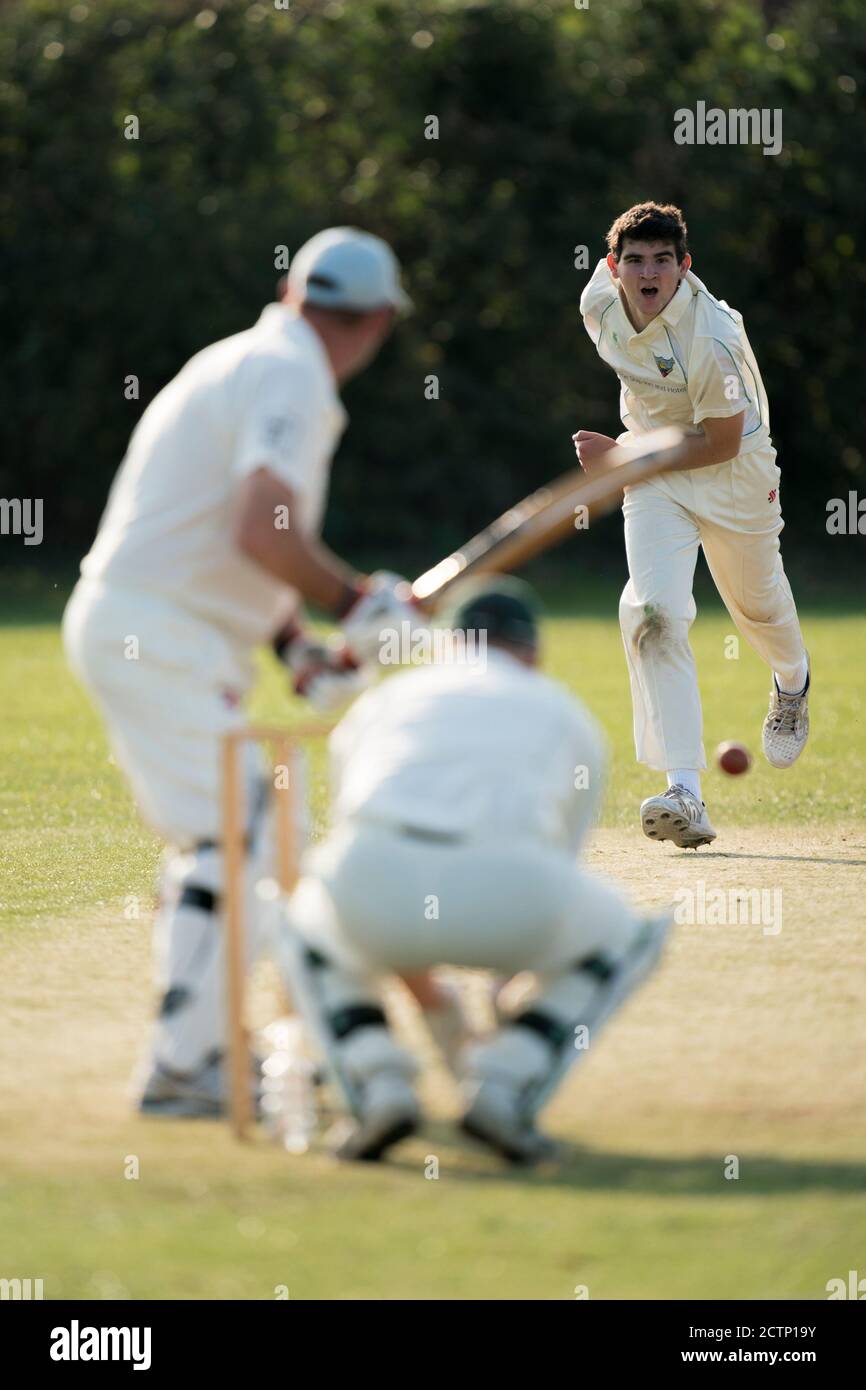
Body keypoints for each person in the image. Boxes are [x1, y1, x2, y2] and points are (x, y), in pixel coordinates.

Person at [63, 226, 423, 1116]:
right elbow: (262, 528)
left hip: (154, 629)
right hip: (159, 633)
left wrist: (296, 645)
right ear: (377, 322)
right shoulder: (291, 374)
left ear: (299, 293)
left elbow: (236, 538)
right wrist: (355, 603)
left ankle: (204, 1055)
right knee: (249, 831)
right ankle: (194, 1064)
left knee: (241, 835)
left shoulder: (245, 359)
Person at [277, 579, 670, 1164]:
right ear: (532, 653)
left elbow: (355, 829)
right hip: (512, 895)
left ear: (448, 644)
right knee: (633, 935)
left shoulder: (388, 698)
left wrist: (424, 984)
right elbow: (559, 862)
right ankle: (505, 1086)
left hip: (374, 882)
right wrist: (510, 978)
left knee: (303, 921)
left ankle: (379, 1084)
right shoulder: (566, 712)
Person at [576, 202, 810, 849]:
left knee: (757, 608)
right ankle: (685, 790)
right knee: (654, 613)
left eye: (661, 261)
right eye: (634, 261)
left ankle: (792, 681)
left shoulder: (708, 338)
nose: (648, 274)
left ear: (684, 267)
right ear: (612, 267)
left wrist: (621, 458)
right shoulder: (599, 304)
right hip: (656, 470)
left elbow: (723, 442)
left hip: (734, 469)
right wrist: (636, 458)